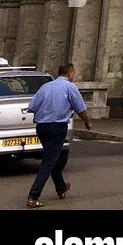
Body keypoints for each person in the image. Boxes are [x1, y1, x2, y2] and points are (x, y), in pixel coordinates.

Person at [25, 63, 92, 208]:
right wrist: (87, 123)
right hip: (57, 127)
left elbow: (32, 106)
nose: (74, 76)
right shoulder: (70, 87)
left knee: (52, 157)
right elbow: (80, 108)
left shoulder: (45, 87)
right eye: (74, 74)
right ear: (70, 74)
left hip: (42, 127)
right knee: (49, 161)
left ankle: (61, 187)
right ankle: (33, 196)